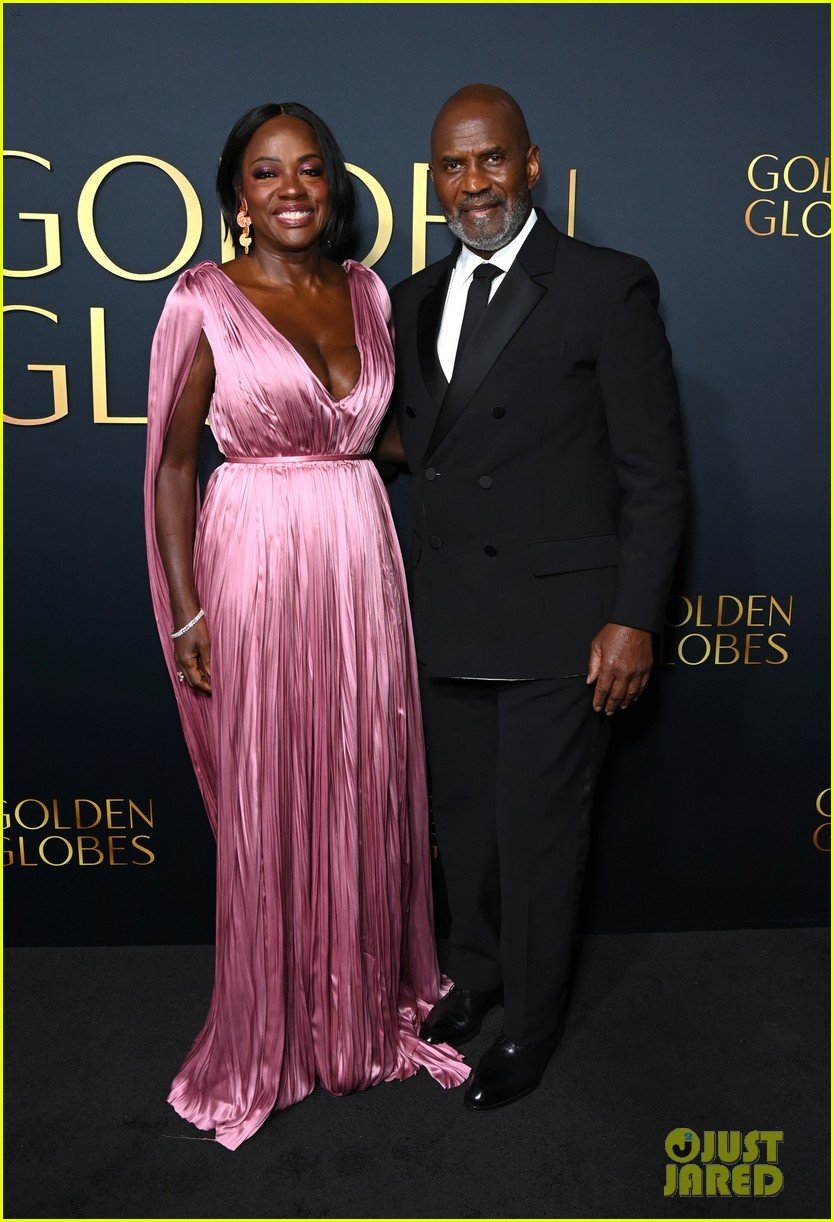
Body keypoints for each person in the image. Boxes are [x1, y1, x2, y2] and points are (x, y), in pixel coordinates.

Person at [143, 102, 467, 1151]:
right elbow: (175, 467)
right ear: (238, 196)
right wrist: (187, 607)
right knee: (272, 789)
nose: (292, 188)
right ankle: (271, 1028)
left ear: (334, 187)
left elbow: (402, 436)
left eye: (310, 169)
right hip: (255, 560)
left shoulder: (368, 291)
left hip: (361, 555)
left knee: (366, 776)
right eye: (267, 171)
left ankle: (362, 1010)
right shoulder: (202, 298)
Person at [388, 84, 686, 1110]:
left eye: (491, 159)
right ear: (435, 181)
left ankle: (533, 1022)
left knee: (538, 836)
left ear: (531, 164)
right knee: (467, 825)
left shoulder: (605, 285)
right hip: (447, 611)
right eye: (453, 165)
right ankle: (478, 978)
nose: (473, 182)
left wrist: (634, 616)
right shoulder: (411, 297)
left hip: (563, 625)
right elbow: (413, 441)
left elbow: (654, 472)